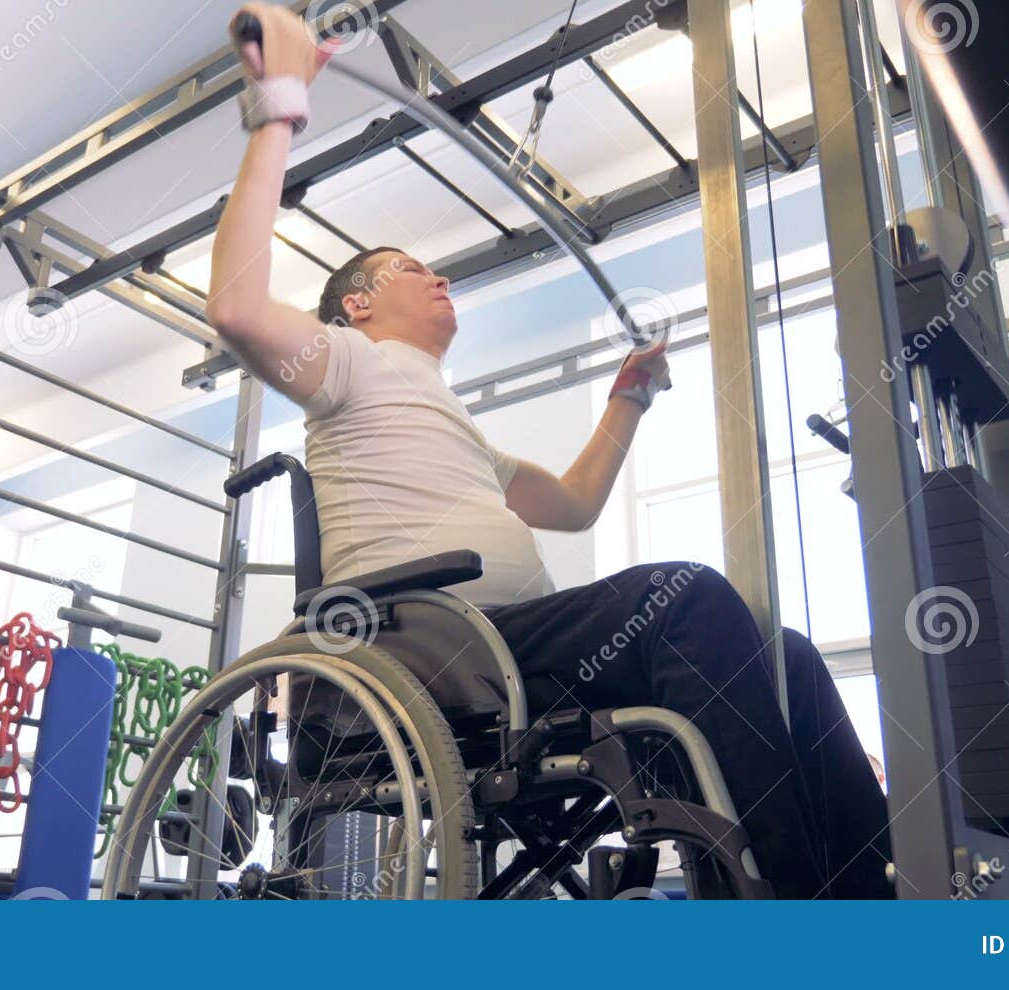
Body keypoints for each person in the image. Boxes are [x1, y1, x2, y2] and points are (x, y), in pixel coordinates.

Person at [206, 3, 891, 898]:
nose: (440, 276)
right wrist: (280, 104)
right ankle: (803, 908)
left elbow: (572, 505)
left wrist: (628, 404)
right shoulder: (345, 364)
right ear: (360, 306)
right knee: (686, 597)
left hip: (508, 660)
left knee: (785, 657)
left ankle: (881, 892)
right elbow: (234, 307)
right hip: (434, 657)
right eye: (414, 270)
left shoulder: (447, 422)